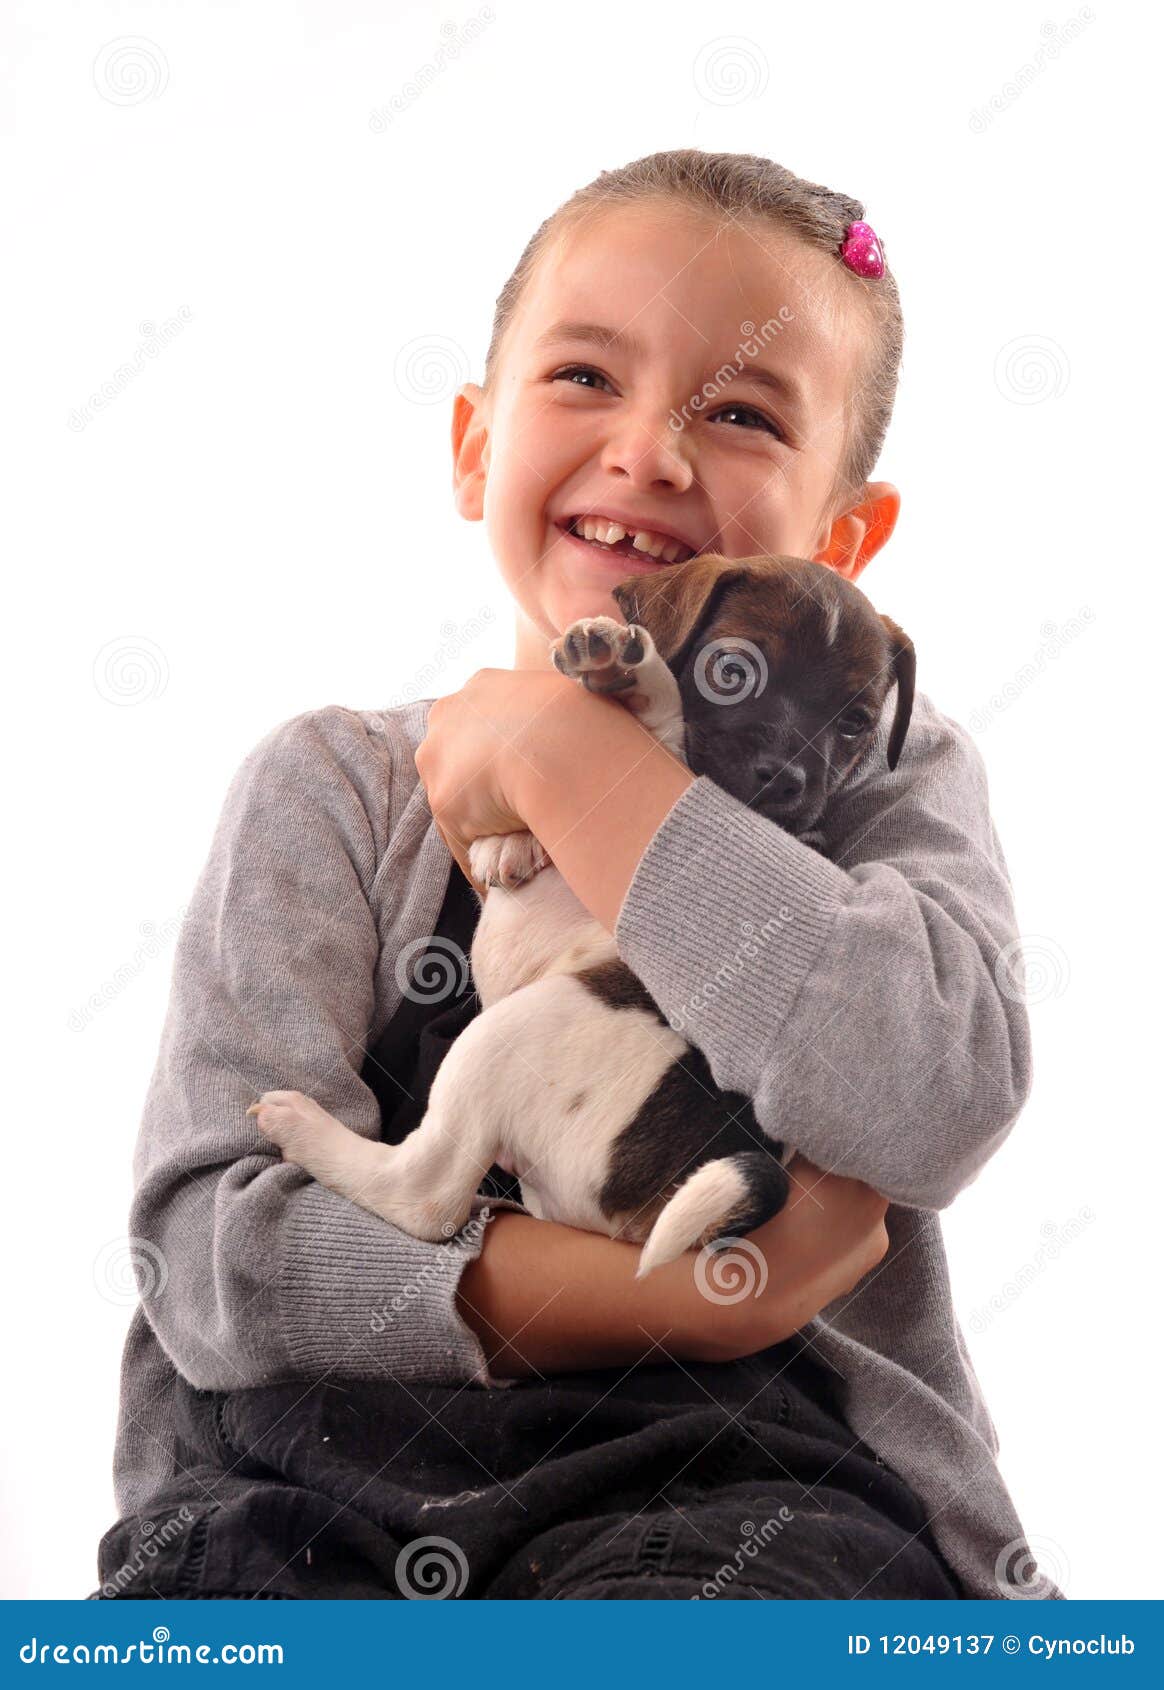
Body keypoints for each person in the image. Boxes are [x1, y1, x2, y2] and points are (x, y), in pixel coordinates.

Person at [94, 149, 1058, 1602]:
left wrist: (576, 770)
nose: (651, 452)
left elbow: (934, 1095)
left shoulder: (881, 777)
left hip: (752, 1487)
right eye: (585, 379)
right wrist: (683, 1297)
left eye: (737, 411)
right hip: (307, 1487)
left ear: (847, 542)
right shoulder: (336, 788)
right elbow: (204, 1255)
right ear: (476, 444)